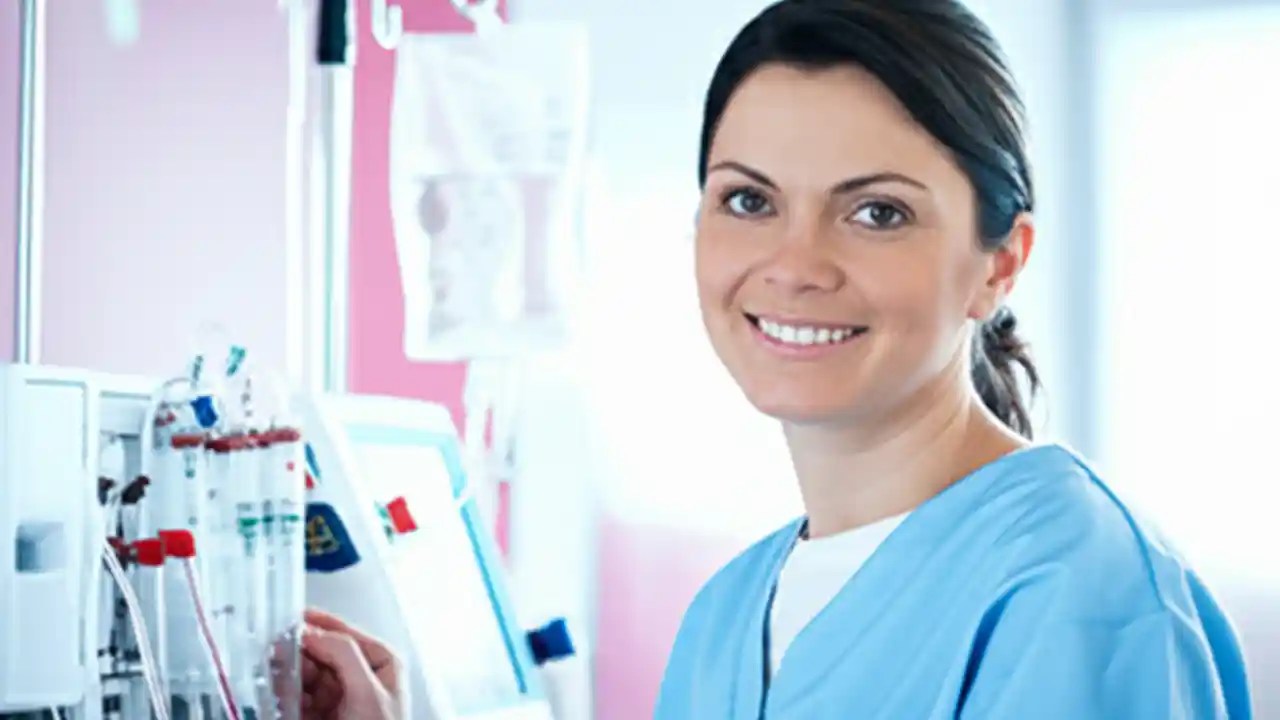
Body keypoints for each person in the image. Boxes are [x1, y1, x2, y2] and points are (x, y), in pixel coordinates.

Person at [302, 1, 1253, 718]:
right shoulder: (729, 617)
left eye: (876, 211)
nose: (794, 267)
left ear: (999, 265)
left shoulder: (1078, 593)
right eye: (749, 200)